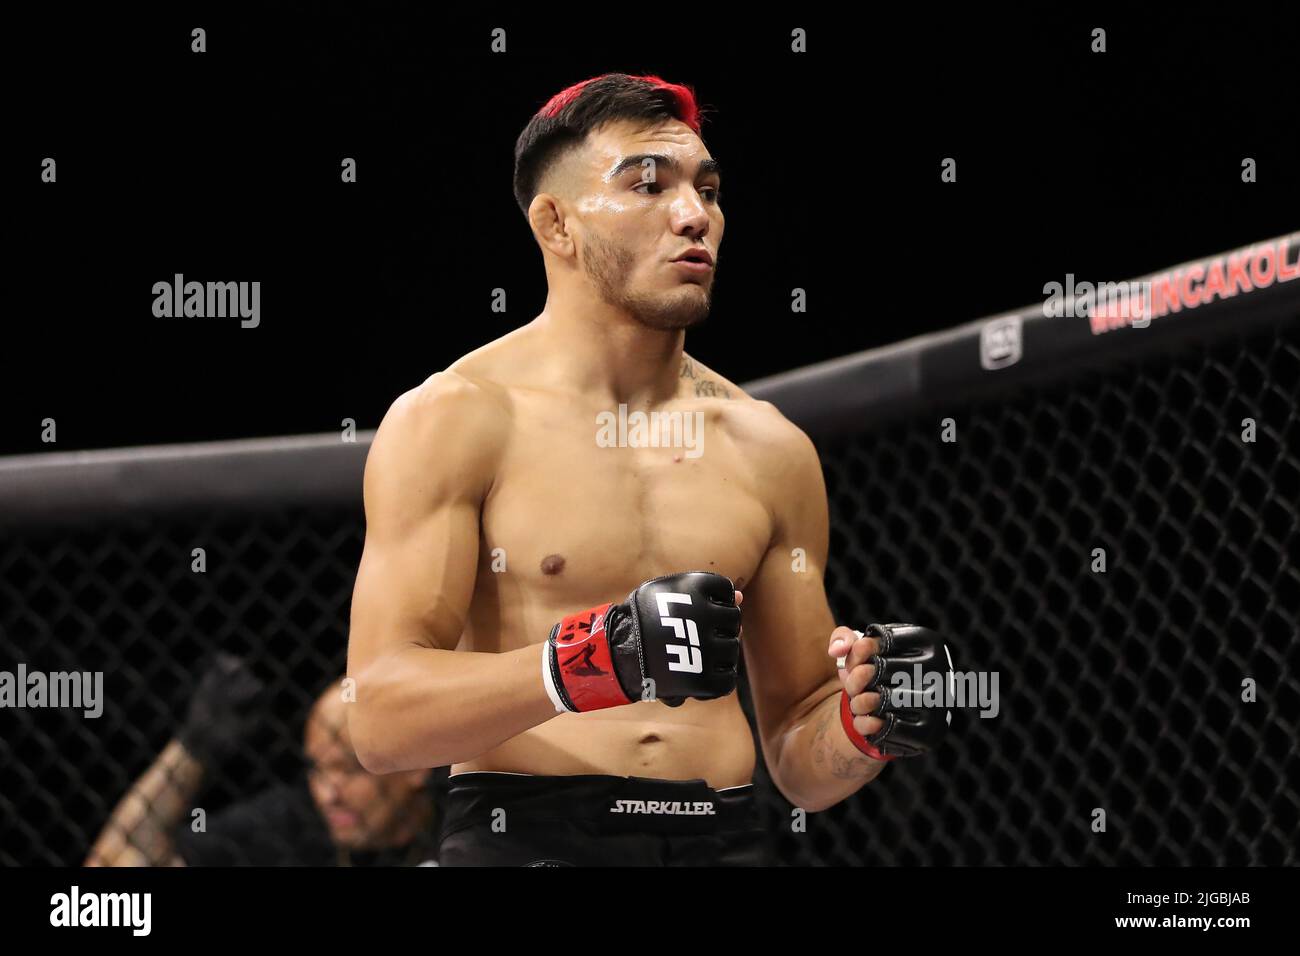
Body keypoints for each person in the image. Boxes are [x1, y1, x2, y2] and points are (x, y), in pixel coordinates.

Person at [346, 73, 952, 866]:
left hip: (724, 841)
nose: (694, 213)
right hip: (528, 837)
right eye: (647, 183)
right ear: (555, 224)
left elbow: (799, 759)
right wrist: (598, 660)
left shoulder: (769, 448)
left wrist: (864, 725)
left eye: (707, 188)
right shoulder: (455, 419)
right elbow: (380, 721)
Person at [86, 659, 437, 866]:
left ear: (416, 766)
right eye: (316, 769)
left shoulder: (466, 821)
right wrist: (191, 750)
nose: (329, 794)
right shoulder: (293, 822)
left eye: (348, 770)